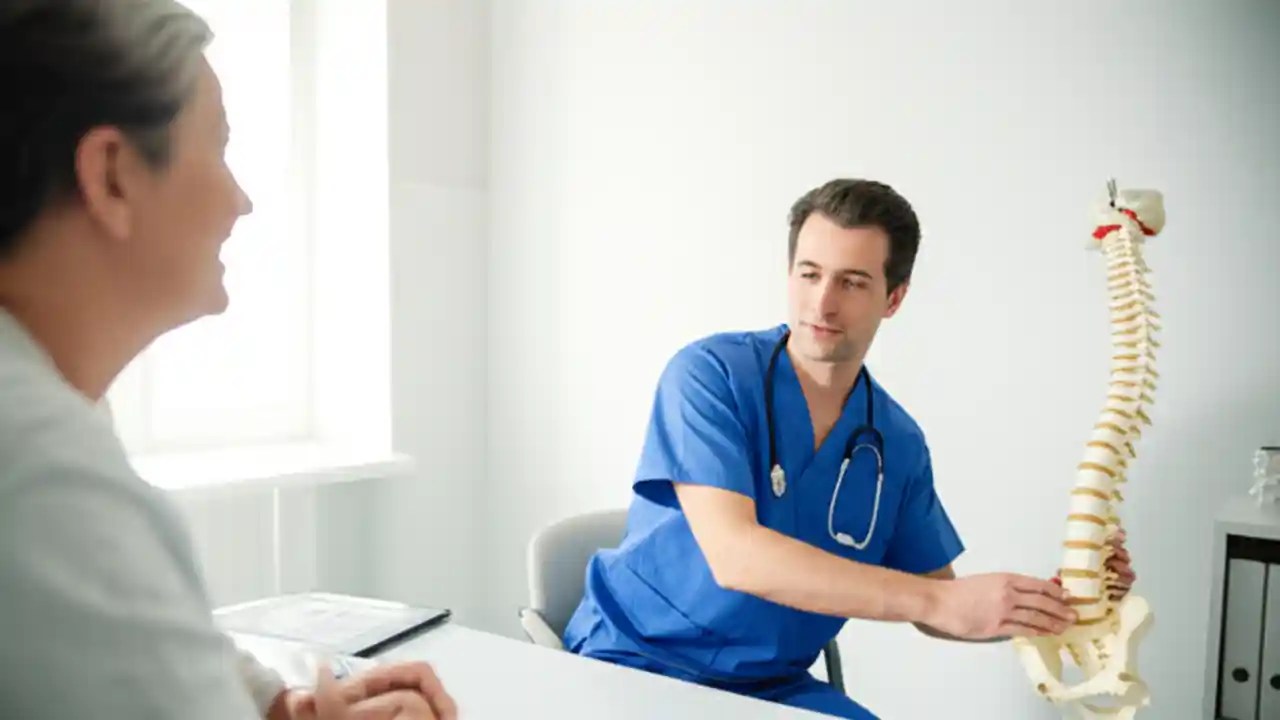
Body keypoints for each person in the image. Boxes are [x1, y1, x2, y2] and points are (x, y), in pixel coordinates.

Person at [0, 2, 456, 718]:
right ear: (112, 175)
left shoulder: (53, 403)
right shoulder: (43, 474)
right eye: (217, 146)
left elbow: (135, 637)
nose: (239, 200)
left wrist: (283, 706)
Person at [561, 178, 1136, 719]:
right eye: (809, 275)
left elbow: (941, 602)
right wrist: (937, 604)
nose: (823, 304)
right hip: (637, 664)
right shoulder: (710, 377)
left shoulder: (897, 443)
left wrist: (1060, 597)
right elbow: (737, 556)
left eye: (853, 282)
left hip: (770, 687)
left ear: (894, 297)